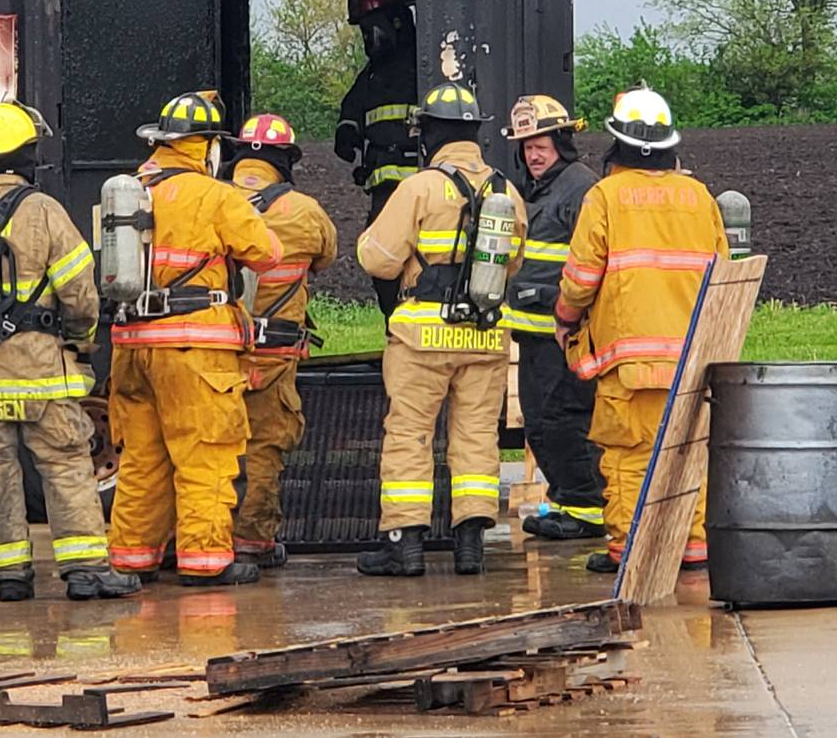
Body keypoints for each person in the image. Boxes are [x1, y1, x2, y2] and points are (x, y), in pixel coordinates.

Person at [0, 101, 139, 602]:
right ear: (28, 157)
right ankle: (84, 571)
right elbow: (80, 293)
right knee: (63, 463)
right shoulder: (44, 213)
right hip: (40, 371)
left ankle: (10, 576)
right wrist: (80, 341)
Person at [106, 91, 282, 587]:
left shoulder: (129, 190)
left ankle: (133, 557)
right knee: (205, 453)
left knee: (143, 459)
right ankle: (205, 561)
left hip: (132, 349)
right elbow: (266, 254)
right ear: (206, 147)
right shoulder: (215, 195)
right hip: (194, 351)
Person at [553, 85, 729, 574]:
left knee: (629, 456)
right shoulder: (699, 197)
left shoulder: (606, 196)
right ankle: (692, 547)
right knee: (689, 452)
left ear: (616, 145)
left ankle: (628, 549)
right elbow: (723, 274)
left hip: (631, 364)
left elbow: (582, 277)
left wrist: (564, 321)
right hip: (694, 358)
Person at [354, 82, 528, 577]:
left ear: (429, 134)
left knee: (409, 434)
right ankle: (471, 544)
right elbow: (510, 264)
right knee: (475, 437)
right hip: (486, 334)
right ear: (474, 133)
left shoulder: (419, 187)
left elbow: (378, 260)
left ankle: (403, 545)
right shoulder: (505, 191)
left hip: (422, 339)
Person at [226, 114, 339, 569]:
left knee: (207, 445)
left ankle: (198, 540)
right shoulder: (305, 212)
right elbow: (326, 258)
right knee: (264, 446)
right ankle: (253, 542)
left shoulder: (212, 201)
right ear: (285, 161)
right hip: (273, 354)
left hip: (215, 349)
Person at [504, 95, 606, 542]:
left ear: (563, 143)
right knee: (543, 423)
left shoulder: (580, 189)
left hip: (564, 334)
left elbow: (592, 264)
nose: (534, 154)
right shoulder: (540, 189)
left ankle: (588, 508)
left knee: (565, 421)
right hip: (534, 334)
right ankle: (566, 502)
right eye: (527, 147)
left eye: (541, 144)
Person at [334, 0, 418, 320]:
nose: (369, 39)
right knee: (382, 260)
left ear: (397, 23)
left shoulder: (425, 65)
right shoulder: (371, 75)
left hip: (421, 190)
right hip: (384, 192)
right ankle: (395, 324)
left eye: (372, 29)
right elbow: (351, 109)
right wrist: (346, 132)